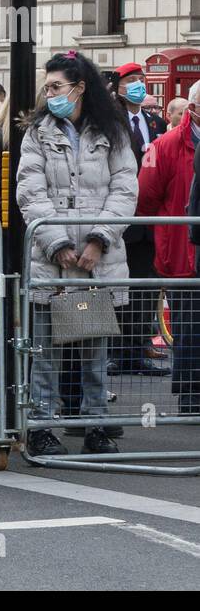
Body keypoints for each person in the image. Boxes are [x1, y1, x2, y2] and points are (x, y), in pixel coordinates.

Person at [17, 52, 136, 457]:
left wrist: (100, 238)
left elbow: (124, 187)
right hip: (53, 259)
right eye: (47, 87)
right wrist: (59, 242)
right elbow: (29, 191)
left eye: (57, 87)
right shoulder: (38, 132)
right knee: (45, 351)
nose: (49, 94)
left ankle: (95, 425)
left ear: (80, 87)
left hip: (96, 260)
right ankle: (42, 426)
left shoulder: (112, 130)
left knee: (94, 350)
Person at [139, 80, 200, 415]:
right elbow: (146, 198)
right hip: (182, 250)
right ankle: (191, 395)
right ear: (192, 110)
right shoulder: (167, 145)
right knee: (189, 327)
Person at [112, 62, 170, 376]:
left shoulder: (155, 122)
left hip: (149, 219)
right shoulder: (111, 121)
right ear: (118, 87)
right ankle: (117, 352)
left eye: (141, 80)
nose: (138, 85)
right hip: (122, 218)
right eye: (132, 81)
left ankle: (137, 351)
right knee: (122, 290)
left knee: (146, 290)